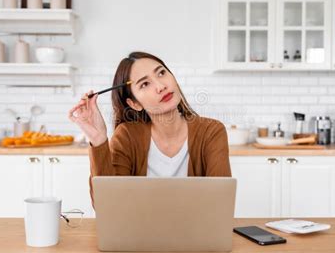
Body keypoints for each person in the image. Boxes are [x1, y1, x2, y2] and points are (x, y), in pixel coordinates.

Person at [69, 52, 231, 200]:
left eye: (161, 73)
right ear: (134, 103)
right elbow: (108, 202)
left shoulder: (211, 132)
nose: (161, 86)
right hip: (138, 232)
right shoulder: (127, 137)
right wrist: (98, 139)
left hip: (197, 232)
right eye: (145, 84)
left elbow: (220, 200)